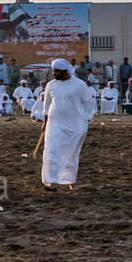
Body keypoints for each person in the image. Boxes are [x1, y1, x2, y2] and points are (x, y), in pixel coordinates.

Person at [39, 58, 94, 191]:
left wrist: (86, 120)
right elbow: (46, 107)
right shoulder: (51, 85)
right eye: (53, 71)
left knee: (71, 153)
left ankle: (70, 181)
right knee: (52, 151)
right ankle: (51, 182)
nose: (54, 73)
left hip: (76, 125)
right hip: (54, 124)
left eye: (57, 71)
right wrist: (45, 123)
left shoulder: (79, 85)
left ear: (65, 71)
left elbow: (88, 104)